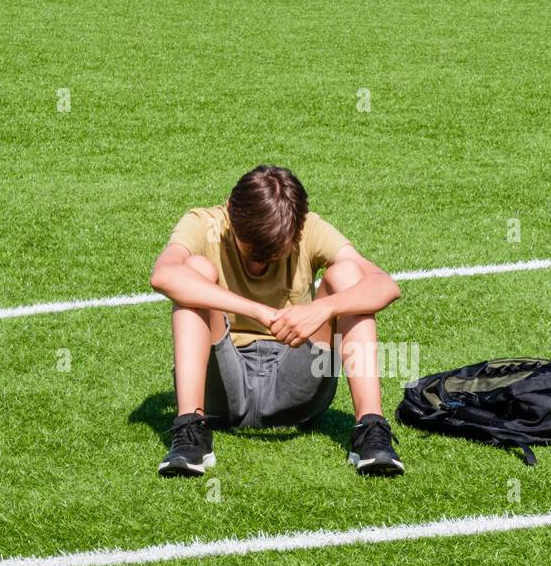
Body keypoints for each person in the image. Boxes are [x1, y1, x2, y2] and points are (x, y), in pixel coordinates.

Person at [150, 165, 405, 476]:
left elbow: (385, 284)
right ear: (231, 211)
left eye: (272, 257)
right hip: (224, 384)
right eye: (251, 253)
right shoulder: (204, 223)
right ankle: (190, 430)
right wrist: (259, 311)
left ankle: (370, 430)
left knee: (348, 275)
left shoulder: (308, 227)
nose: (259, 265)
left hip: (296, 378)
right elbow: (164, 275)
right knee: (196, 271)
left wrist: (323, 309)